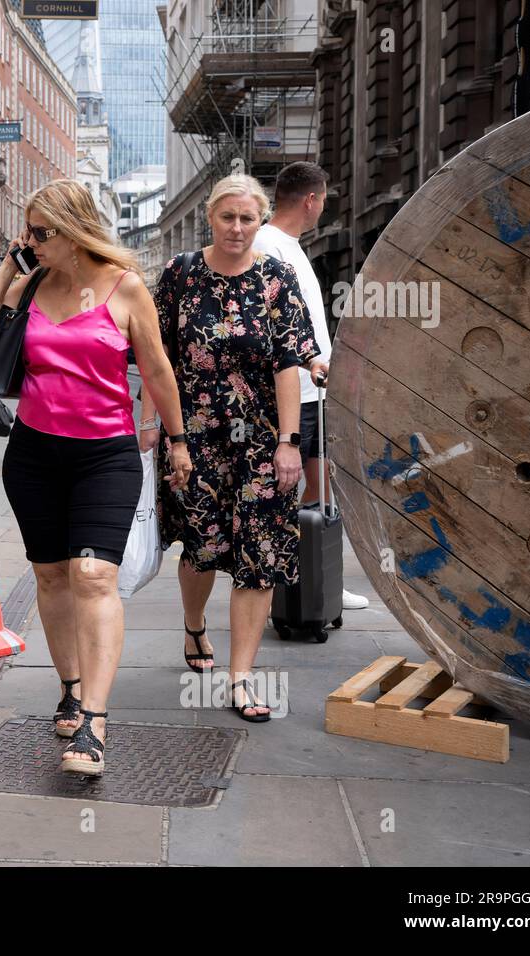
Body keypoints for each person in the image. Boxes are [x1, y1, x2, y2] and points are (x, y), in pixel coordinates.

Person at [0, 180, 191, 776]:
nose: (31, 242)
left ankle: (93, 721)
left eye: (41, 233)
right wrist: (11, 264)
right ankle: (68, 685)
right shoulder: (30, 283)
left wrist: (178, 440)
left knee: (93, 576)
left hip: (105, 456)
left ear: (73, 231)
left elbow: (160, 372)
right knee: (51, 575)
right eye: (29, 232)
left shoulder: (125, 288)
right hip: (35, 454)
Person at [148, 174, 326, 721]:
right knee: (201, 548)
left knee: (260, 557)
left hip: (263, 443)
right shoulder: (179, 274)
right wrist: (156, 425)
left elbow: (289, 364)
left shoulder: (277, 277)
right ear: (210, 216)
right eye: (228, 217)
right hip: (194, 437)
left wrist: (291, 443)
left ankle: (241, 678)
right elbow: (158, 359)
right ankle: (195, 626)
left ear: (261, 220)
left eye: (248, 218)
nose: (238, 228)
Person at [253, 161, 368, 611]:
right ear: (311, 200)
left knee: (321, 486)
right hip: (291, 392)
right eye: (323, 200)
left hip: (312, 389)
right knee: (287, 491)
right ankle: (288, 584)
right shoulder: (269, 245)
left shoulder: (292, 246)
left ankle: (316, 581)